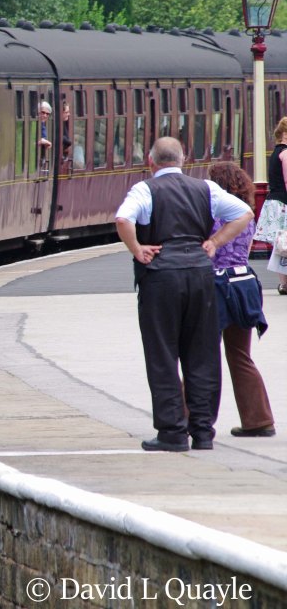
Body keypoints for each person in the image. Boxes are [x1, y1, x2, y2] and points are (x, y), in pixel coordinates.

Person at [115, 136, 253, 452]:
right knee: (203, 353)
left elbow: (123, 219)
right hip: (200, 275)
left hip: (161, 276)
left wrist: (137, 249)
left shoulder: (144, 190)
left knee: (163, 355)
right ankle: (203, 432)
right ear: (183, 160)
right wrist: (215, 242)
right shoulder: (206, 188)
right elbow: (244, 213)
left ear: (151, 162)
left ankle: (173, 432)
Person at [207, 162, 276, 438]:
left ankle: (192, 418)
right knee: (240, 355)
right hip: (244, 283)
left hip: (215, 285)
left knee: (204, 355)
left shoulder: (213, 216)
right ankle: (258, 419)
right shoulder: (246, 215)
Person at [254, 116, 287, 295]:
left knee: (282, 245)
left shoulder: (276, 152)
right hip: (283, 203)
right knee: (284, 244)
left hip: (274, 202)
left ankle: (283, 283)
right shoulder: (286, 153)